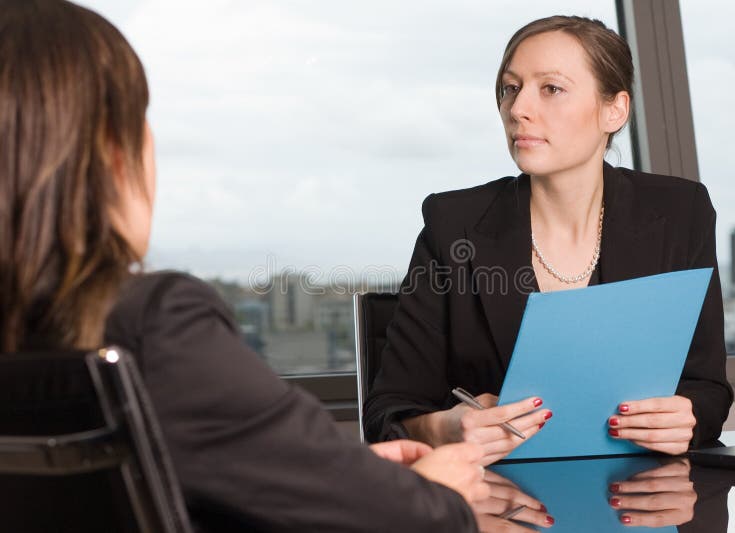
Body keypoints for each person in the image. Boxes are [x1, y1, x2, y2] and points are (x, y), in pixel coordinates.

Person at [0, 1, 491, 531]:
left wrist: (346, 477)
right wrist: (437, 493)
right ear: (114, 154)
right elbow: (412, 519)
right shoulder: (156, 324)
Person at [364, 15, 733, 461]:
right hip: (499, 509)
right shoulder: (452, 224)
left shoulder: (681, 212)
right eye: (510, 88)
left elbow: (707, 388)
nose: (518, 109)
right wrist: (448, 427)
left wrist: (686, 418)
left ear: (614, 110)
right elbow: (388, 412)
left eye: (551, 89)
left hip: (646, 503)